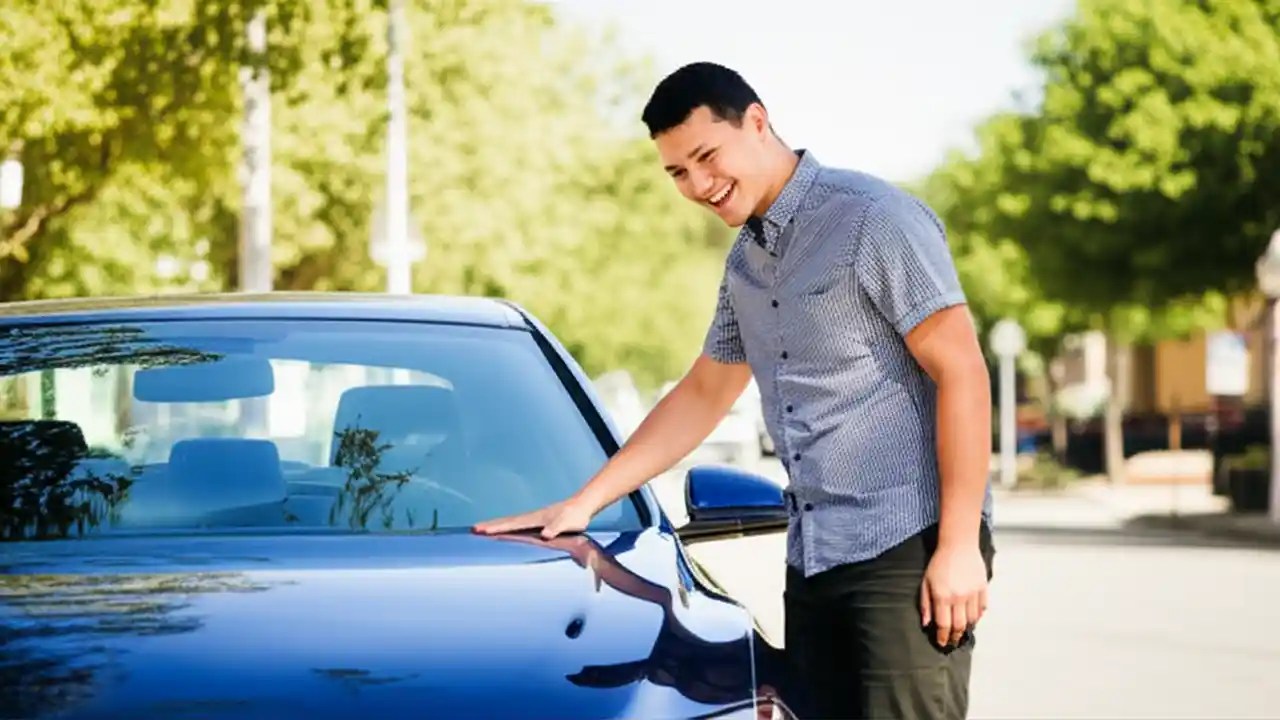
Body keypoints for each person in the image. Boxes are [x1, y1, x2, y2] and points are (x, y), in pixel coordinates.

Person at [475, 61, 996, 720]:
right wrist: (584, 503)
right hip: (815, 557)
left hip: (907, 549)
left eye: (705, 156)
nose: (697, 184)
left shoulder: (873, 220)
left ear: (757, 122)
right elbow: (703, 393)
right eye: (677, 173)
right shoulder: (747, 262)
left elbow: (963, 370)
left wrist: (957, 548)